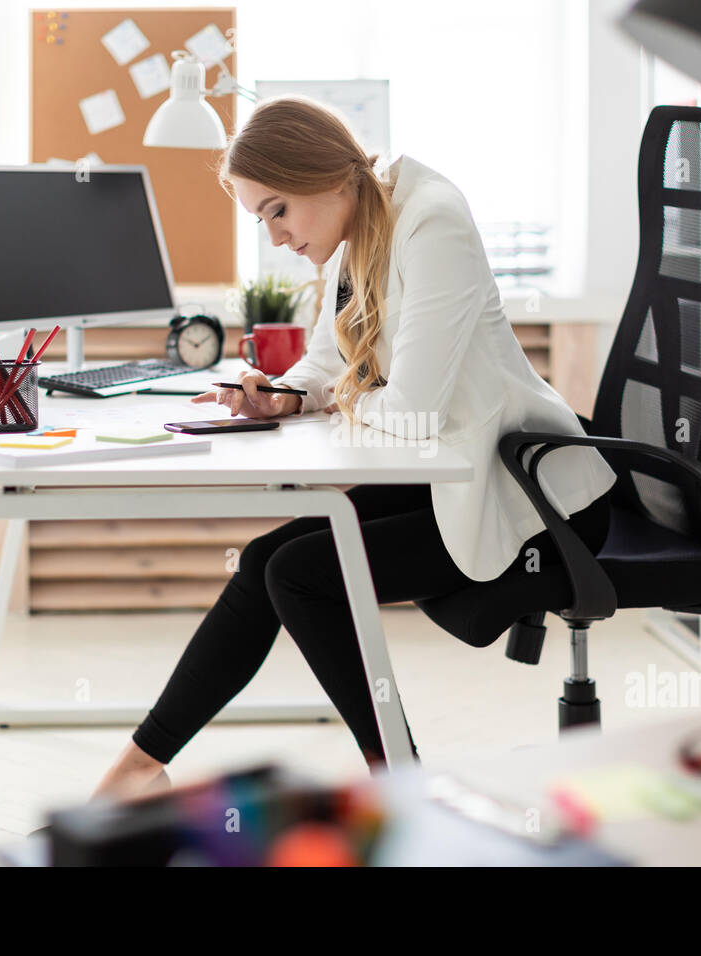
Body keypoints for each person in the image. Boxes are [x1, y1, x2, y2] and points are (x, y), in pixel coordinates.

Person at [93, 96, 615, 800]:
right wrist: (282, 395)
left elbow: (416, 412)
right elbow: (324, 363)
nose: (275, 236)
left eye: (278, 209)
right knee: (265, 561)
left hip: (537, 501)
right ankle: (139, 768)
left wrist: (340, 394)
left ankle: (401, 785)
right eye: (261, 218)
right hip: (461, 471)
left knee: (301, 574)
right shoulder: (357, 230)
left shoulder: (430, 220)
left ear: (322, 174)